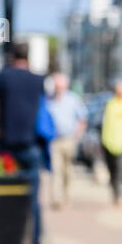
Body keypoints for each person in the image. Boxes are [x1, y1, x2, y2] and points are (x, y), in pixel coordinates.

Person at [0, 43, 45, 244]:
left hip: (6, 147)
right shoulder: (38, 80)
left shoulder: (3, 77)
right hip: (32, 144)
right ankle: (34, 241)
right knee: (32, 196)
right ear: (28, 57)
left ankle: (7, 238)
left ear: (11, 56)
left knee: (4, 195)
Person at [46, 72, 86, 208]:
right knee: (56, 170)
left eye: (60, 86)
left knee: (67, 171)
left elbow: (82, 119)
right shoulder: (48, 100)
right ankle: (57, 199)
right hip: (54, 140)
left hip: (69, 139)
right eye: (56, 86)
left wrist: (77, 136)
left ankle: (66, 196)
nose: (58, 89)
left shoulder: (73, 99)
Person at [100, 80, 122, 205]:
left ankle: (118, 196)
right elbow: (105, 122)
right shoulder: (110, 103)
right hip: (108, 142)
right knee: (112, 171)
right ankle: (114, 194)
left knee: (120, 171)